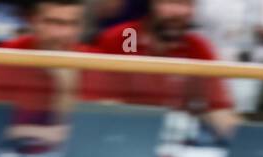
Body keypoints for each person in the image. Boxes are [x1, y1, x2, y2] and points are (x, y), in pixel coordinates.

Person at [84, 0, 239, 139]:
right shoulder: (126, 37)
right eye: (170, 2)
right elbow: (99, 105)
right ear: (151, 4)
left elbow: (217, 110)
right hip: (121, 136)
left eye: (187, 4)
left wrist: (243, 138)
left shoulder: (195, 46)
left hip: (175, 143)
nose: (179, 12)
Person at [0, 0, 91, 145]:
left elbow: (104, 127)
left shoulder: (94, 59)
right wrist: (40, 133)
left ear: (82, 27)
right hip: (12, 154)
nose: (61, 33)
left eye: (71, 24)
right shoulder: (10, 54)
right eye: (52, 22)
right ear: (33, 22)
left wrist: (66, 88)